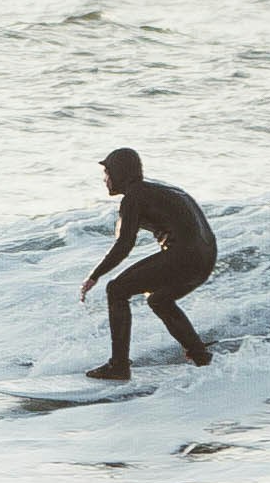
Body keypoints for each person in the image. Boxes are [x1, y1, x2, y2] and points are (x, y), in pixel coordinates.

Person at [78, 146, 216, 380]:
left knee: (116, 290)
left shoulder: (134, 197)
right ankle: (199, 355)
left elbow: (124, 245)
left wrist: (95, 275)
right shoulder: (157, 190)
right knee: (159, 299)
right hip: (205, 257)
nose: (105, 179)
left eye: (107, 173)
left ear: (120, 173)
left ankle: (118, 366)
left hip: (185, 254)